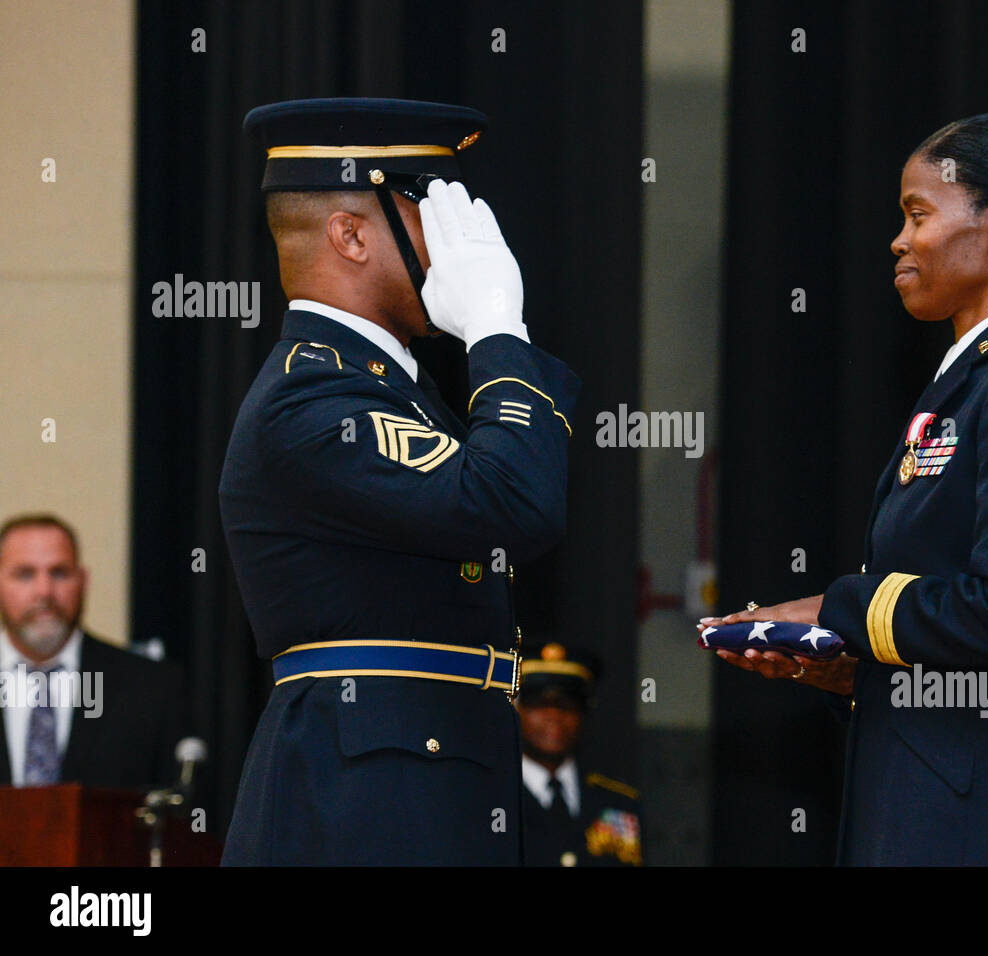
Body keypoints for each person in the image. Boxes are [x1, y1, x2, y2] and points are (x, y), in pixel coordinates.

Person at [702, 112, 988, 865]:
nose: (898, 240)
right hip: (929, 820)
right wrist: (849, 667)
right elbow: (960, 652)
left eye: (918, 214)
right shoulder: (974, 380)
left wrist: (840, 606)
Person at [219, 98, 580, 865]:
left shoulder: (391, 389)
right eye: (429, 206)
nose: (459, 239)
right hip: (371, 794)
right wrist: (496, 332)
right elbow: (514, 501)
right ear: (351, 234)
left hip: (425, 771)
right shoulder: (313, 400)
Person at [0, 513, 187, 789]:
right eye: (25, 574)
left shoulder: (151, 687)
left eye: (59, 573)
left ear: (83, 580)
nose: (44, 591)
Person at [516, 643, 642, 866]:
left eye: (567, 704)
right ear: (516, 709)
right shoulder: (491, 800)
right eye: (538, 703)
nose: (553, 715)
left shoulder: (619, 803)